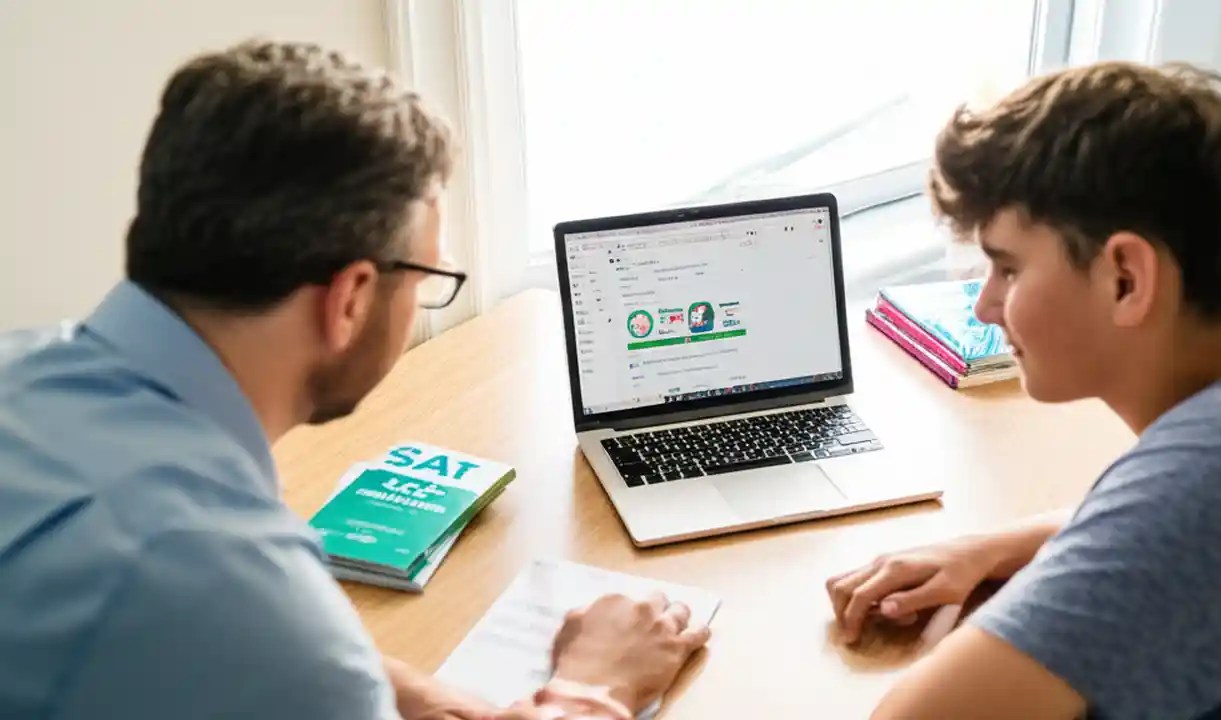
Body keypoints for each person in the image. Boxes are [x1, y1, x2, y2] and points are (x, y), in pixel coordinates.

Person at [0, 40, 707, 720]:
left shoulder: (23, 372)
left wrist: (364, 677)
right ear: (349, 300)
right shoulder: (232, 584)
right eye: (428, 276)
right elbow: (233, 625)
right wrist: (595, 688)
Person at [826, 61, 1221, 718]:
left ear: (1126, 278)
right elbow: (1167, 529)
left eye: (1007, 268)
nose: (985, 305)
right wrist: (987, 549)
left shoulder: (1213, 478)